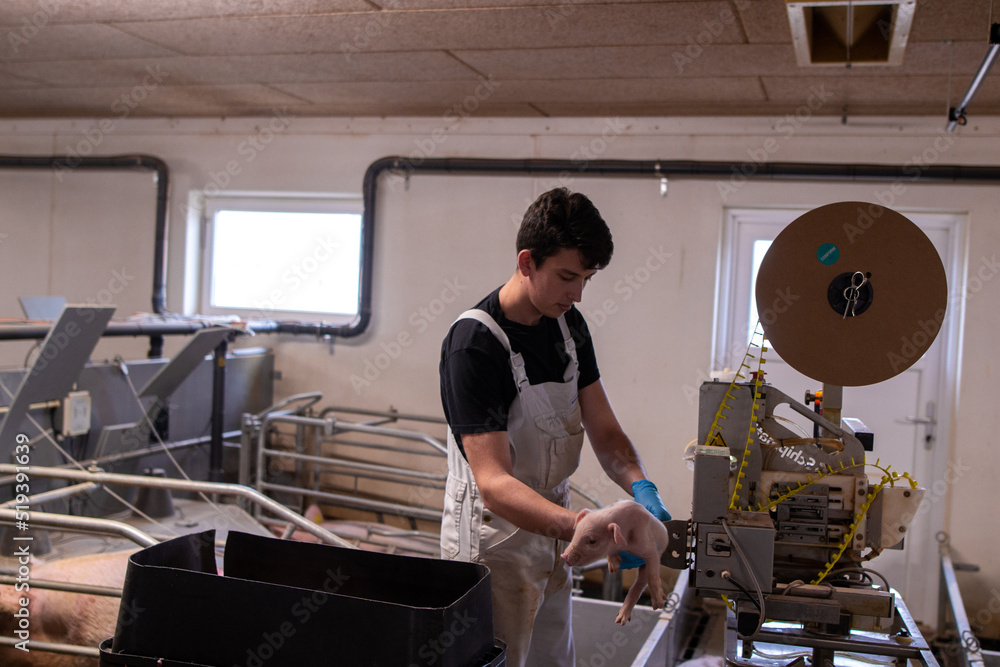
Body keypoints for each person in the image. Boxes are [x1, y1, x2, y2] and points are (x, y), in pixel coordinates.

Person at [438, 187, 670, 667]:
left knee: (552, 660)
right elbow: (495, 483)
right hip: (493, 542)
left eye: (586, 278)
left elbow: (605, 432)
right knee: (499, 660)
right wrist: (583, 530)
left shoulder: (569, 329)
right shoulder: (475, 345)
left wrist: (642, 488)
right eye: (567, 276)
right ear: (527, 262)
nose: (577, 293)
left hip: (556, 528)